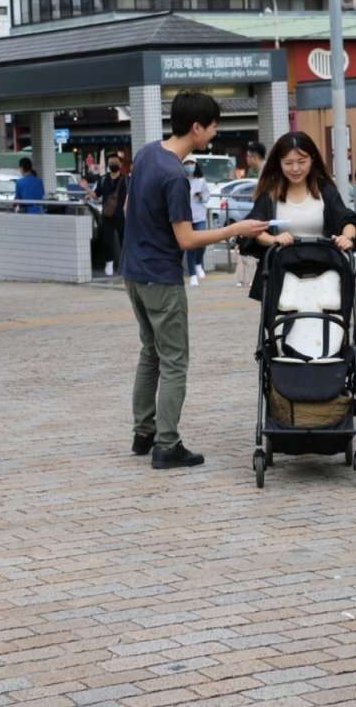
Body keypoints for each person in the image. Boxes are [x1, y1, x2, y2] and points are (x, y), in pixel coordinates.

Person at [120, 90, 268, 469]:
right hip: (161, 277)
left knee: (150, 352)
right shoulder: (174, 175)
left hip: (134, 273)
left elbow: (127, 208)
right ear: (197, 127)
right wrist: (234, 228)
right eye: (214, 127)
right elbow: (186, 239)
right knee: (174, 360)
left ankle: (144, 433)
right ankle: (167, 445)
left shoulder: (147, 154)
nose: (214, 135)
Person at [245, 132, 356, 301]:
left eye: (302, 162)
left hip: (324, 270)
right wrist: (274, 239)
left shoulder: (325, 190)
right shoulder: (270, 193)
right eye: (288, 163)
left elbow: (347, 219)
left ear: (312, 159)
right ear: (278, 163)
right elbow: (255, 228)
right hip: (281, 272)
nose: (295, 169)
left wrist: (347, 237)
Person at [90, 153, 128, 276]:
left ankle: (125, 265)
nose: (113, 164)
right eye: (111, 162)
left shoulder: (126, 179)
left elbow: (130, 196)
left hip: (122, 216)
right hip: (107, 215)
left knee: (125, 241)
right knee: (107, 241)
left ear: (120, 164)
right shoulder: (103, 179)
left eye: (115, 162)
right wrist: (86, 188)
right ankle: (109, 264)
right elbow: (96, 194)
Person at [183, 158, 210, 287]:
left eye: (191, 164)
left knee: (202, 243)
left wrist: (201, 196)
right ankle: (193, 274)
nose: (189, 166)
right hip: (186, 217)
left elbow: (207, 197)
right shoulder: (181, 180)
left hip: (199, 216)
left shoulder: (201, 181)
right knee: (190, 246)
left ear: (195, 165)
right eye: (186, 164)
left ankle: (198, 263)